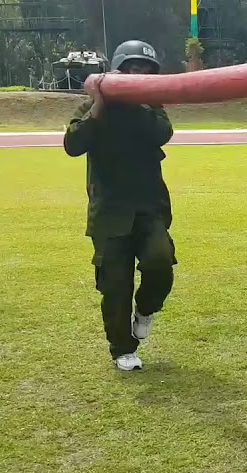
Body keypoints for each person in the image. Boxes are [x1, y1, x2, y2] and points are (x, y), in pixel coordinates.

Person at [63, 40, 177, 372]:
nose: (139, 74)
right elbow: (73, 144)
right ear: (118, 69)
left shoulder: (152, 107)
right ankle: (122, 348)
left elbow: (162, 133)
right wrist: (100, 104)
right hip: (110, 211)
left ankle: (145, 309)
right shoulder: (91, 108)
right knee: (115, 284)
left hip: (149, 206)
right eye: (133, 68)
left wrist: (138, 102)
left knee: (159, 262)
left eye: (146, 70)